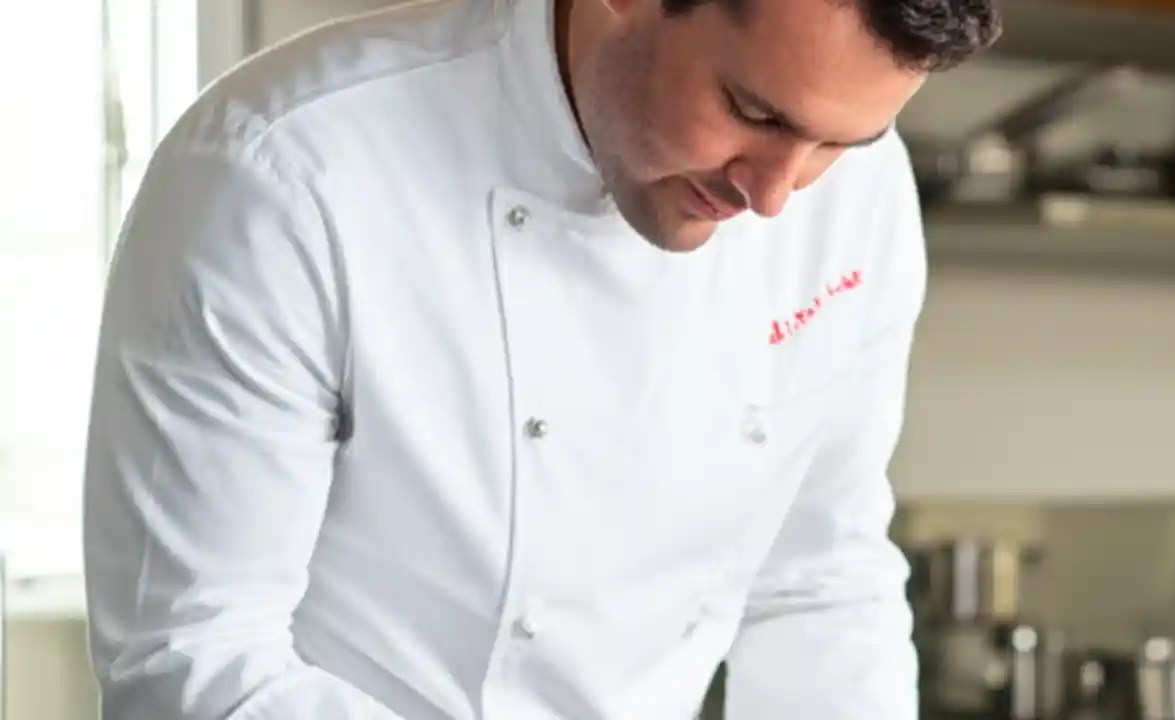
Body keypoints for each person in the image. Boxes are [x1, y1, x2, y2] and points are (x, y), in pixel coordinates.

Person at [83, 0, 999, 717]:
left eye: (839, 144)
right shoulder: (281, 170)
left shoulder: (857, 199)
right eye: (750, 109)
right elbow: (193, 663)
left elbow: (818, 577)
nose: (774, 196)